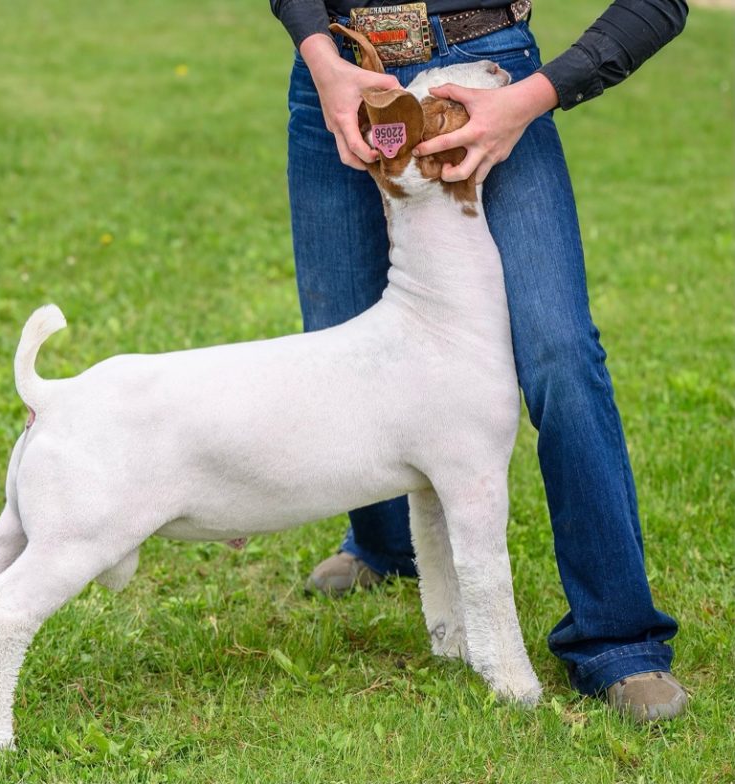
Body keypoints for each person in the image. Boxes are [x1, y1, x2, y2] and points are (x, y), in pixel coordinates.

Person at [270, 0, 689, 721]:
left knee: (558, 354)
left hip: (492, 79)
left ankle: (618, 640)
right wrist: (320, 56)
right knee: (342, 337)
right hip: (343, 79)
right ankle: (384, 544)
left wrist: (528, 99)